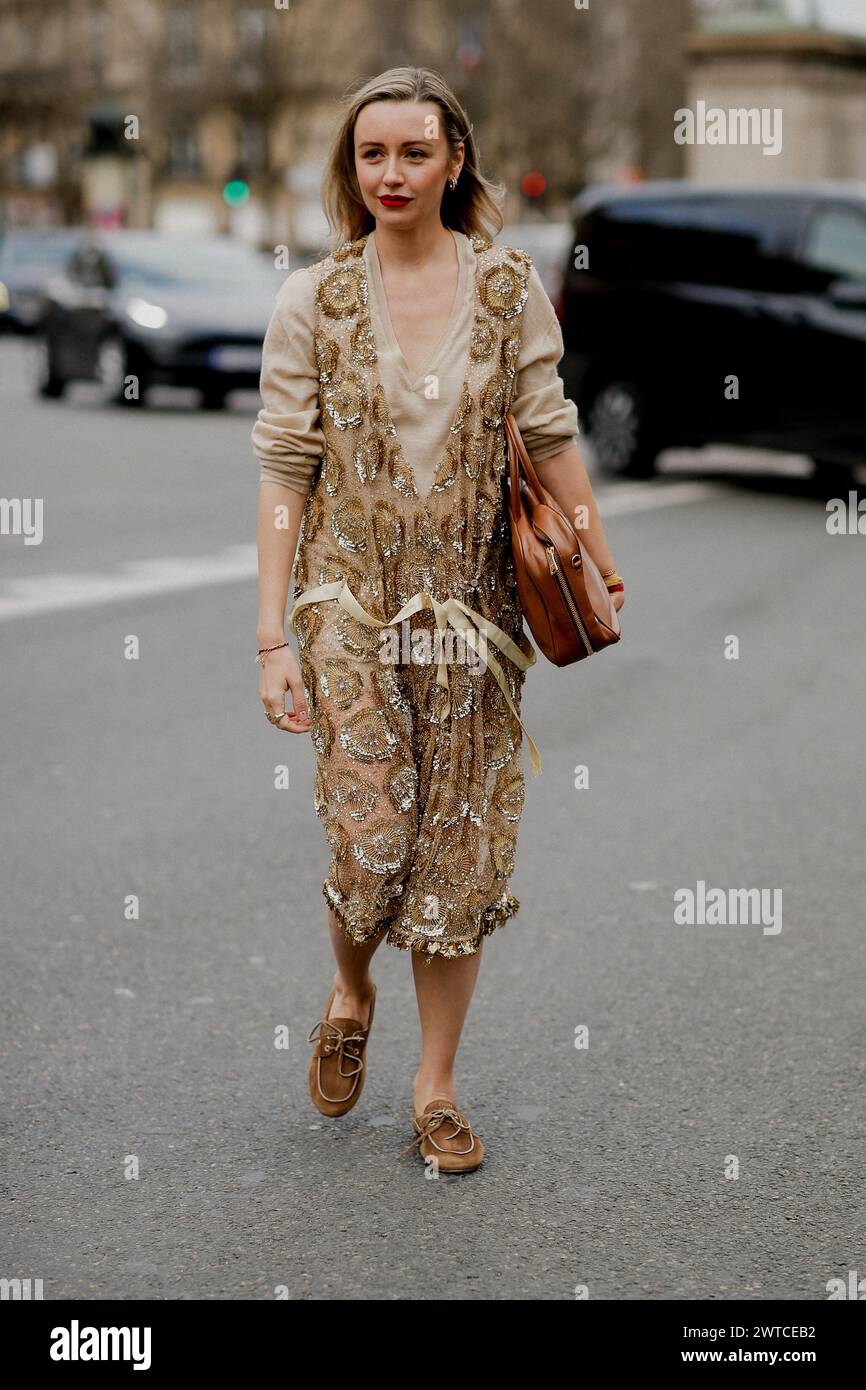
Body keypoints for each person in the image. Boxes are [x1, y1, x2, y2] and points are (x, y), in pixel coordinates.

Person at [251, 66, 624, 1174]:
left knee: (455, 858)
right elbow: (283, 467)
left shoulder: (508, 289)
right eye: (372, 155)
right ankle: (352, 987)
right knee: (372, 843)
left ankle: (435, 1086)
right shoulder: (310, 300)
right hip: (347, 603)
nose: (392, 174)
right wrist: (272, 634)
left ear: (453, 161)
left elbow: (549, 434)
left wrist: (596, 558)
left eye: (413, 153)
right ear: (350, 167)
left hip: (474, 618)